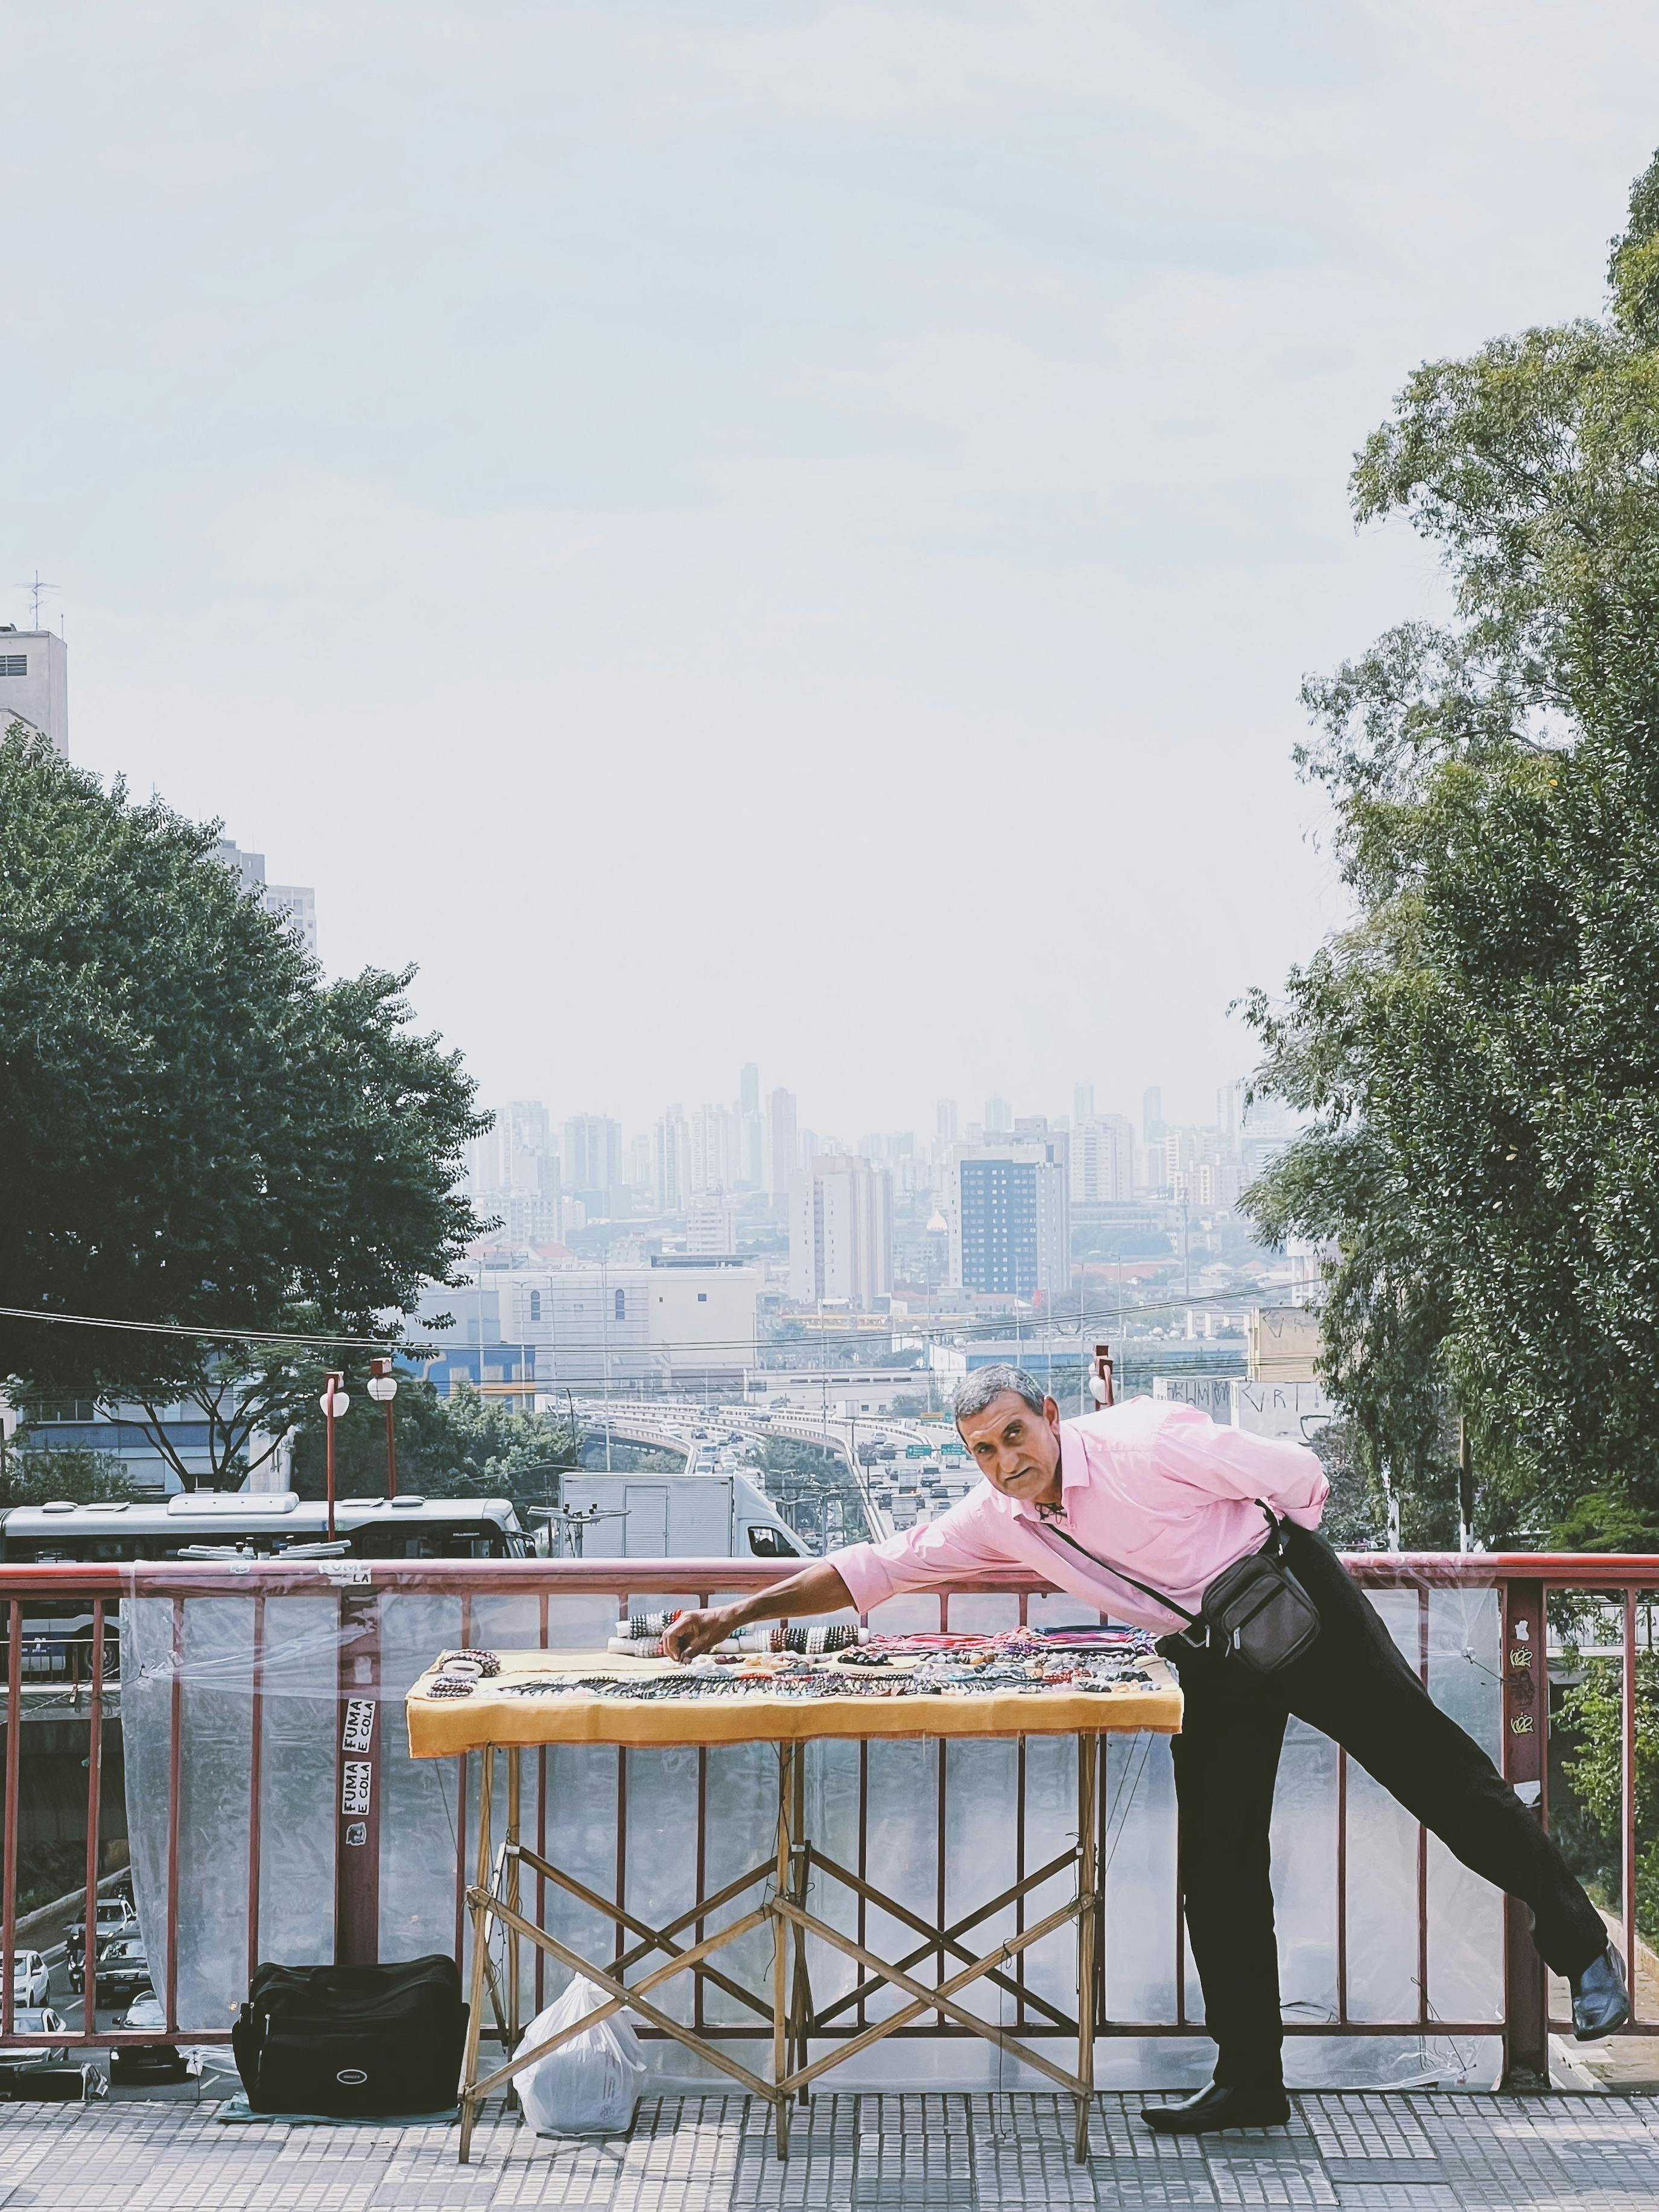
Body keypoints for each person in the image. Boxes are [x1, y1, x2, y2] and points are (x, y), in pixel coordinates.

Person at [663, 1364, 1628, 2132]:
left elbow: (1297, 1476)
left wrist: (1266, 1556)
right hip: (1208, 1657)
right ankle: (1250, 2083)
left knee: (1438, 1778)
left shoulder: (1144, 1439)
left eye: (1014, 1435)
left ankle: (1581, 1953)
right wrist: (737, 1614)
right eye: (982, 1451)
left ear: (1049, 1416)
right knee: (1214, 1867)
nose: (1005, 1461)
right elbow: (874, 1566)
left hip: (1296, 1608)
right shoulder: (996, 1517)